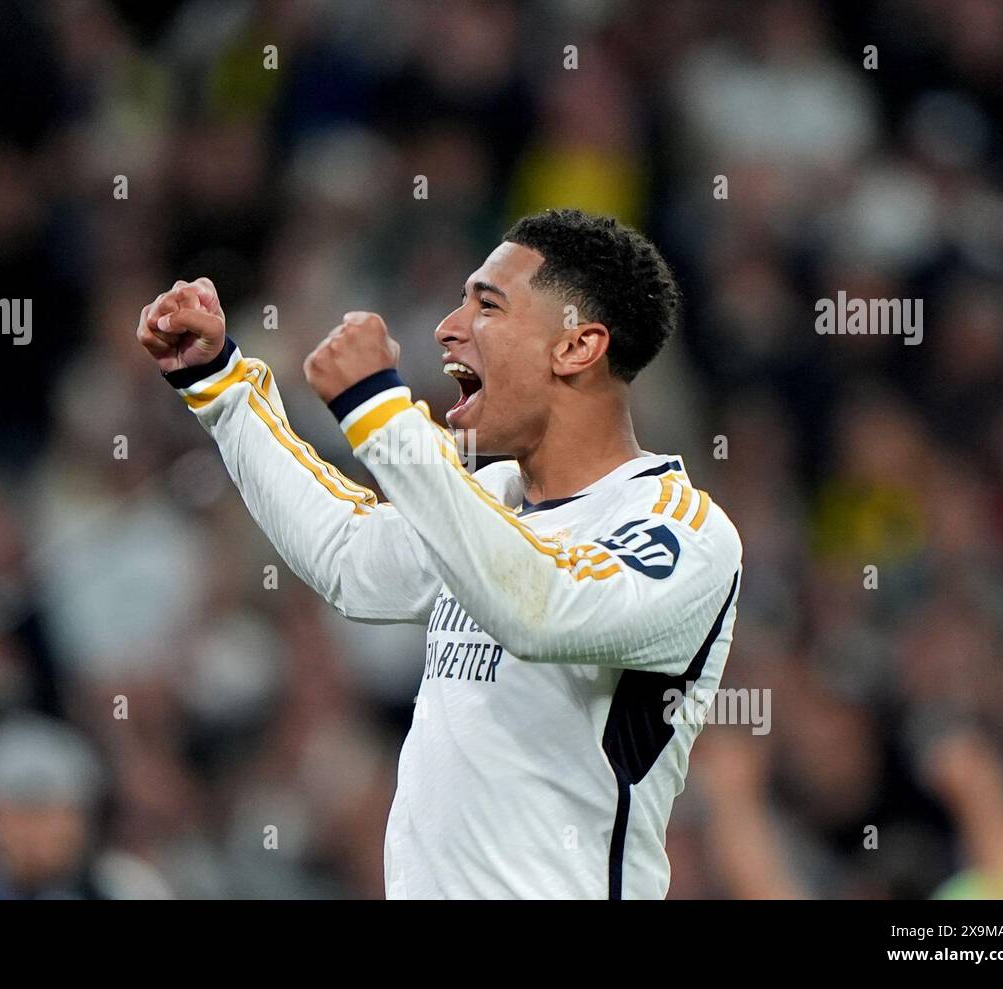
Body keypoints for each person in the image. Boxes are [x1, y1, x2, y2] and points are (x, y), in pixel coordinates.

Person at [136, 208, 743, 899]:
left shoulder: (681, 530)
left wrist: (381, 412)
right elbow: (349, 554)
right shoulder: (489, 500)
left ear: (577, 346)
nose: (448, 328)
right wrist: (220, 385)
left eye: (487, 305)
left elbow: (545, 606)